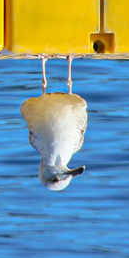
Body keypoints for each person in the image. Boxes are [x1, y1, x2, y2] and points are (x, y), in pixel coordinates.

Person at [21, 56, 87, 190]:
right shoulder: (76, 145)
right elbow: (81, 113)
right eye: (69, 176)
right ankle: (69, 59)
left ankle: (43, 60)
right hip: (69, 102)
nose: (69, 174)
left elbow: (27, 108)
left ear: (45, 176)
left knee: (44, 87)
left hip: (44, 103)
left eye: (57, 179)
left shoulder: (36, 142)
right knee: (70, 85)